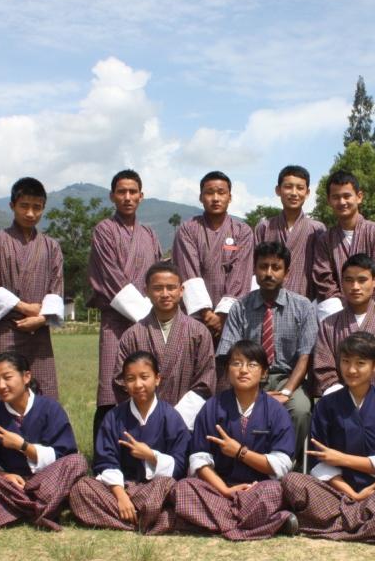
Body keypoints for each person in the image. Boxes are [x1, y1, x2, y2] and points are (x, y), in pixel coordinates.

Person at [283, 332, 375, 542]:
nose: (352, 369)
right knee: (292, 481)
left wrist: (343, 459)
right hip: (336, 492)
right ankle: (371, 525)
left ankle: (338, 525)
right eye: (345, 362)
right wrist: (352, 494)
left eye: (360, 363)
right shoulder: (326, 405)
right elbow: (317, 459)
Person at [173, 340, 298, 540]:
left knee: (275, 491)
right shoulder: (212, 407)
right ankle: (268, 523)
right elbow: (199, 458)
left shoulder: (276, 412)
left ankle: (217, 523)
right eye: (236, 363)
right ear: (228, 370)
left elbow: (281, 464)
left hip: (258, 489)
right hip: (219, 489)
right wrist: (225, 490)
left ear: (264, 372)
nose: (243, 370)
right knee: (184, 488)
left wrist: (241, 452)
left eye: (252, 364)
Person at [0, 352, 87, 531]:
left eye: (7, 377)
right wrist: (3, 476)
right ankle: (39, 510)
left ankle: (15, 511)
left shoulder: (51, 409)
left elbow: (64, 456)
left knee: (77, 461)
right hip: (10, 488)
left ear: (26, 376)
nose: (1, 385)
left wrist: (23, 446)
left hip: (45, 485)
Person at [217, 241, 316, 465]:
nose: (269, 273)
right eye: (263, 266)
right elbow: (229, 354)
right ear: (254, 269)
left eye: (275, 267)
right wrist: (251, 388)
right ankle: (244, 465)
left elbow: (305, 355)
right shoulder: (240, 307)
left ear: (287, 272)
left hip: (287, 379)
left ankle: (287, 466)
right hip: (247, 378)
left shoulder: (303, 307)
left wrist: (288, 391)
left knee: (300, 410)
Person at [70, 351, 190, 535]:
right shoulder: (114, 417)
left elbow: (180, 466)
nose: (138, 384)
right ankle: (151, 521)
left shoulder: (171, 417)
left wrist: (150, 456)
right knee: (81, 489)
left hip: (156, 490)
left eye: (144, 377)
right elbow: (105, 462)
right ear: (125, 384)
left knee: (175, 488)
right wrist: (121, 496)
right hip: (120, 489)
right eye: (131, 379)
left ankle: (131, 520)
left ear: (157, 379)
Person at [0, 177, 65, 403]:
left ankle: (38, 439)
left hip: (39, 331)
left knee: (43, 397)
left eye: (37, 207)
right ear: (12, 205)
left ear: (43, 208)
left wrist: (42, 319)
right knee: (4, 392)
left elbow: (56, 288)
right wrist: (25, 308)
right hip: (8, 329)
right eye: (24, 206)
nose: (30, 213)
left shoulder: (51, 246)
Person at [88, 169, 163, 434]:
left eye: (133, 192)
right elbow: (111, 277)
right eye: (122, 192)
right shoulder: (104, 231)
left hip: (146, 323)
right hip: (116, 321)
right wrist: (146, 315)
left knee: (143, 383)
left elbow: (156, 276)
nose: (128, 197)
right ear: (112, 196)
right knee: (112, 386)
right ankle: (103, 452)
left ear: (142, 196)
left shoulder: (149, 234)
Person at [113, 261, 217, 431]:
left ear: (181, 290)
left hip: (186, 426)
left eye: (171, 287)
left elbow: (205, 381)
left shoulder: (198, 332)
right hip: (142, 424)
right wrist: (150, 416)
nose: (165, 293)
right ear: (146, 291)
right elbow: (121, 381)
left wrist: (173, 419)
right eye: (158, 288)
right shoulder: (132, 335)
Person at [311, 253, 375, 399]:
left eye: (362, 280)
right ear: (341, 282)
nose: (355, 287)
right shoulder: (329, 324)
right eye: (349, 280)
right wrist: (343, 398)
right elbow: (323, 367)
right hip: (340, 403)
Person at [172, 170, 254, 343]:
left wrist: (223, 314)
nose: (215, 198)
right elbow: (188, 272)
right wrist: (206, 312)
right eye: (209, 193)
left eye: (221, 193)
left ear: (230, 197)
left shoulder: (243, 231)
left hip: (232, 316)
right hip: (195, 316)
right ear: (201, 197)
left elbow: (241, 275)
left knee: (230, 366)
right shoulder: (188, 229)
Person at [312, 170, 375, 320]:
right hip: (337, 312)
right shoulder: (325, 240)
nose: (342, 202)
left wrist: (366, 312)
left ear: (359, 197)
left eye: (347, 196)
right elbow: (324, 280)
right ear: (329, 201)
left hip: (374, 312)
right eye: (336, 197)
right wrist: (346, 307)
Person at [253, 165, 326, 298]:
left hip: (305, 302)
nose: (294, 193)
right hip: (267, 301)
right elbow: (255, 268)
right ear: (278, 190)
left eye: (300, 188)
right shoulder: (264, 227)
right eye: (288, 187)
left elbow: (321, 270)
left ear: (308, 192)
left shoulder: (317, 229)